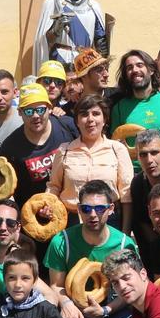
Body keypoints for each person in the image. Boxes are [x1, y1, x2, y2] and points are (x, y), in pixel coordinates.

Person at [44, 180, 137, 318]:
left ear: (111, 209)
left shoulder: (124, 244)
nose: (92, 215)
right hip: (74, 311)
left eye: (100, 208)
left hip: (110, 307)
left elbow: (132, 291)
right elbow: (55, 285)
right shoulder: (62, 241)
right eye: (86, 209)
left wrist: (105, 310)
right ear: (78, 209)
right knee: (48, 305)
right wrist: (67, 303)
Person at [48, 94, 135, 229]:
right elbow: (53, 187)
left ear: (105, 119)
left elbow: (126, 194)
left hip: (109, 221)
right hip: (71, 221)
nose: (90, 119)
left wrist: (126, 231)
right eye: (84, 114)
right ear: (76, 121)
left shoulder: (117, 149)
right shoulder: (64, 151)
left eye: (96, 114)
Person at [0, 84, 78, 210]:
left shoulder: (68, 127)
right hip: (33, 218)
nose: (35, 116)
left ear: (49, 108)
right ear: (20, 113)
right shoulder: (10, 147)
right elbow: (5, 189)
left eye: (40, 110)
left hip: (71, 211)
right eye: (29, 111)